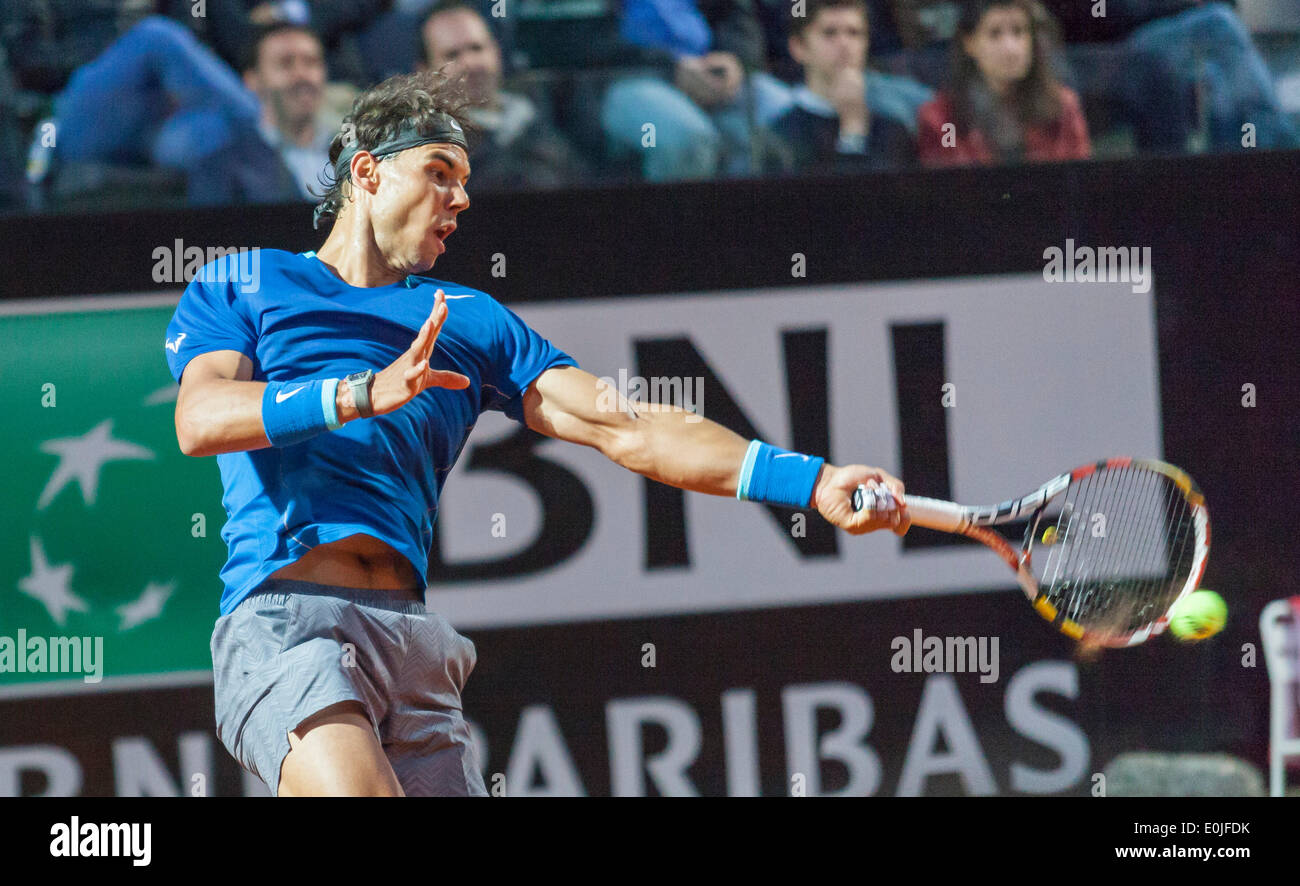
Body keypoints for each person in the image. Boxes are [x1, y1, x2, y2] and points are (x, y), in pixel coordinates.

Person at [164, 69, 910, 797]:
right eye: (439, 172)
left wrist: (809, 480)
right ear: (367, 173)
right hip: (284, 624)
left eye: (465, 180)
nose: (460, 198)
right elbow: (200, 422)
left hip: (414, 647)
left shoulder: (469, 318)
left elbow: (627, 424)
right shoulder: (246, 282)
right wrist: (362, 392)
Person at [419, 1, 590, 190]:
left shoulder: (541, 117)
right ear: (425, 71)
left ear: (497, 52)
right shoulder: (426, 143)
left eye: (477, 48)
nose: (470, 63)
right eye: (452, 55)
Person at [917, 0, 1089, 165]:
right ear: (969, 43)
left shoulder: (1063, 106)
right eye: (994, 34)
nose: (1010, 48)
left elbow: (1081, 184)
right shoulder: (939, 118)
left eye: (1019, 31)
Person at [772, 0, 919, 173]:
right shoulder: (781, 134)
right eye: (830, 33)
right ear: (798, 47)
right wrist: (852, 133)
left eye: (854, 33)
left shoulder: (893, 127)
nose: (844, 43)